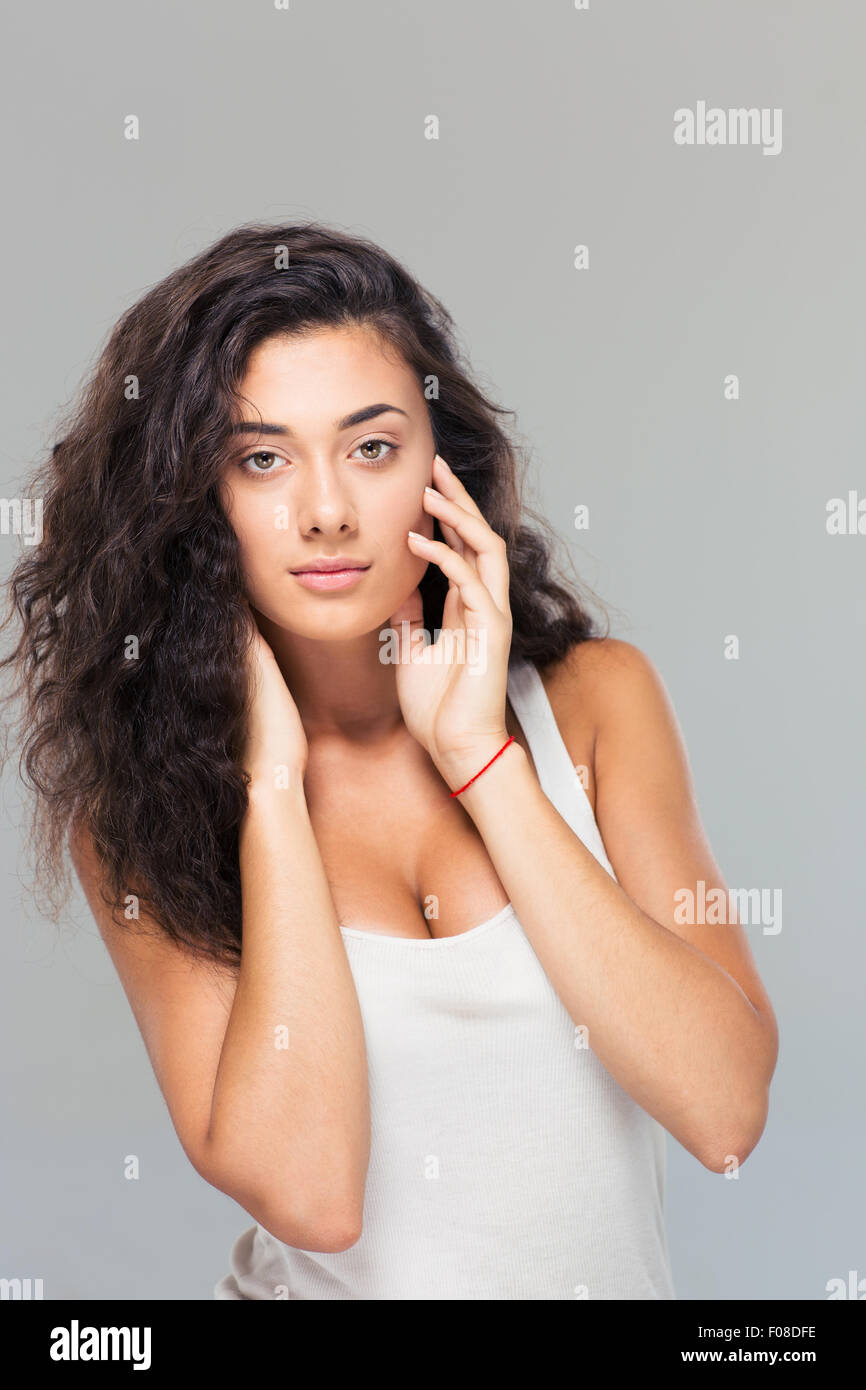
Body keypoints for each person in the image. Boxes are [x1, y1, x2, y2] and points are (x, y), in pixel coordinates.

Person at [0, 221, 779, 1300]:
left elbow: (723, 1109)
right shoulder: (141, 808)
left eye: (371, 447)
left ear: (437, 469)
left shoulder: (597, 703)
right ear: (193, 501)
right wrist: (269, 790)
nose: (325, 512)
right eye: (261, 458)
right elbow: (312, 1193)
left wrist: (477, 756)